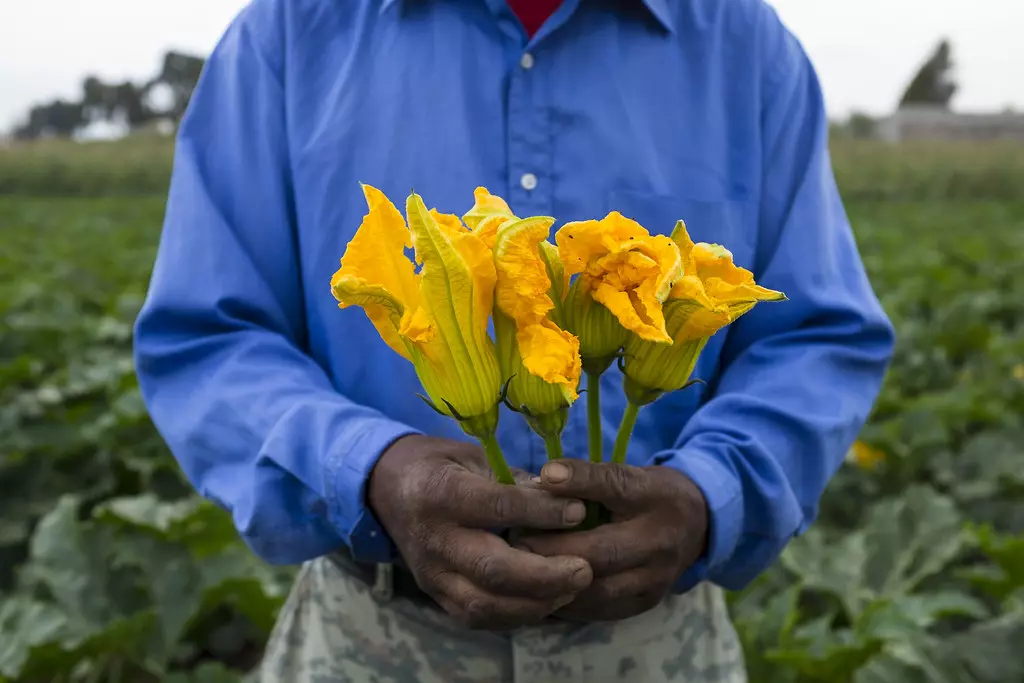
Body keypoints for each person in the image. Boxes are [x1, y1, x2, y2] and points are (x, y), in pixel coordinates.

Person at [133, 0, 895, 681]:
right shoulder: (289, 32)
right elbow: (207, 337)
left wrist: (711, 491)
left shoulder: (744, 42)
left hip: (659, 645)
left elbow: (817, 337)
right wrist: (367, 468)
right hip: (369, 638)